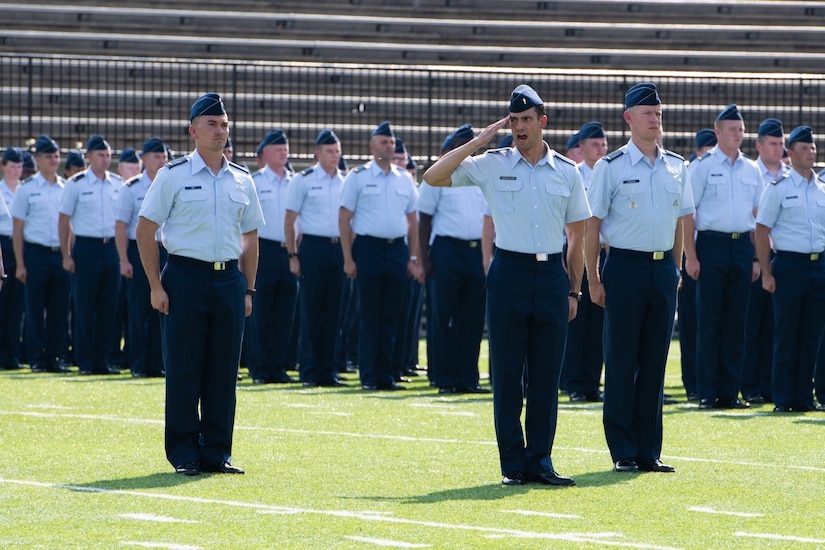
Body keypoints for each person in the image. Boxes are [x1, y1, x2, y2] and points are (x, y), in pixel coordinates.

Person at [423, 84, 588, 486]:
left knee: (546, 375)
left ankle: (541, 460)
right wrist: (478, 142)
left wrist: (574, 289)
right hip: (508, 273)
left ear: (542, 122)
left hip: (551, 275)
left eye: (527, 120)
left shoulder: (567, 171)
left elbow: (579, 236)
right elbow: (432, 176)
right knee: (507, 374)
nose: (519, 127)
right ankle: (513, 463)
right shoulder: (492, 162)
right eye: (513, 120)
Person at [136, 92, 264, 475]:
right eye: (212, 124)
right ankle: (184, 453)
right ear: (193, 130)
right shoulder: (172, 175)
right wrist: (156, 286)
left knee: (224, 372)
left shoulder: (242, 178)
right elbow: (145, 231)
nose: (220, 131)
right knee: (185, 368)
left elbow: (251, 238)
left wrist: (248, 289)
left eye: (224, 124)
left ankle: (216, 453)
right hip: (185, 279)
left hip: (228, 281)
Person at [586, 83, 694, 474]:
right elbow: (592, 226)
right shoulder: (610, 167)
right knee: (620, 360)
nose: (656, 119)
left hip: (662, 268)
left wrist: (676, 268)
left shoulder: (677, 166)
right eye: (648, 113)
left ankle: (649, 449)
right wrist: (594, 280)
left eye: (659, 113)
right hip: (625, 268)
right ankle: (623, 450)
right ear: (629, 118)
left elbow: (681, 222)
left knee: (654, 363)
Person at [685, 104, 761, 410]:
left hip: (742, 246)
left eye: (741, 130)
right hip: (711, 246)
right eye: (732, 130)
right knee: (710, 321)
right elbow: (688, 214)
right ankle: (707, 392)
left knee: (735, 323)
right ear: (717, 132)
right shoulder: (702, 167)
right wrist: (691, 257)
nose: (738, 135)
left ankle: (729, 392)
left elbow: (756, 217)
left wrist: (756, 257)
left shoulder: (752, 169)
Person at [339, 121, 423, 391]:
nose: (390, 146)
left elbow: (412, 221)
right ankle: (369, 375)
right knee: (370, 314)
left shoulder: (404, 179)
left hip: (396, 250)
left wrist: (412, 258)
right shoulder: (358, 176)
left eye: (391, 142)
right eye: (384, 142)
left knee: (391, 315)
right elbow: (344, 218)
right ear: (372, 146)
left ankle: (386, 375)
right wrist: (348, 258)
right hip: (368, 249)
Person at [755, 125, 825, 413]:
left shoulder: (822, 188)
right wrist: (767, 272)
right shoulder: (779, 188)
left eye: (813, 148)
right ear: (791, 153)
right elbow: (761, 230)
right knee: (786, 335)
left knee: (811, 336)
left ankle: (803, 397)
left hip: (818, 266)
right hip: (789, 265)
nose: (811, 152)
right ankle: (783, 397)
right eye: (804, 148)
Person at [418, 123, 489, 394]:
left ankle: (467, 379)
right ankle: (444, 378)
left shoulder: (481, 174)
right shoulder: (440, 173)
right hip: (446, 251)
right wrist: (424, 259)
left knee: (472, 319)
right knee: (443, 317)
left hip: (475, 252)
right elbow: (424, 218)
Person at [284, 129, 347, 387]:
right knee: (311, 311)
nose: (335, 156)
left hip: (339, 249)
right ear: (317, 153)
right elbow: (289, 221)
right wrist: (293, 255)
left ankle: (328, 370)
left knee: (334, 313)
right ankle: (309, 370)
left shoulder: (346, 180)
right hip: (312, 247)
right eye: (330, 151)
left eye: (337, 151)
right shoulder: (304, 180)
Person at [58, 135, 122, 375]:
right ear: (89, 157)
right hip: (86, 248)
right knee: (84, 307)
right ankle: (84, 361)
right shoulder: (76, 184)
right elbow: (64, 220)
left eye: (108, 155)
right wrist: (66, 254)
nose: (105, 159)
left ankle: (102, 360)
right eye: (100, 155)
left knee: (109, 307)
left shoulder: (117, 183)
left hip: (111, 248)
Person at [10, 135, 71, 373]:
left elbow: (70, 225)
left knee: (59, 309)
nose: (54, 160)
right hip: (35, 253)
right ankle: (36, 358)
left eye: (56, 156)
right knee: (35, 308)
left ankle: (55, 357)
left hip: (60, 253)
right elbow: (18, 229)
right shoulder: (27, 189)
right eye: (49, 156)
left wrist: (69, 255)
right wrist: (21, 263)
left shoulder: (66, 187)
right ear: (37, 159)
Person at [742, 118, 790, 404]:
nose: (777, 148)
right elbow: (750, 220)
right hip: (757, 254)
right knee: (753, 323)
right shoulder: (751, 172)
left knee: (776, 324)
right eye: (772, 143)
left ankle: (771, 384)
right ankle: (750, 385)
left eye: (781, 144)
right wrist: (756, 259)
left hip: (783, 256)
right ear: (759, 145)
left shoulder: (789, 174)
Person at [248, 129, 299, 385]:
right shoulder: (255, 182)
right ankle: (259, 368)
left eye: (285, 149)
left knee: (285, 311)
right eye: (278, 149)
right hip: (263, 249)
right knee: (262, 310)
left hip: (288, 250)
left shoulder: (295, 181)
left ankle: (278, 367)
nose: (283, 153)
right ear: (265, 154)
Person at [115, 137, 168, 378]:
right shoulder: (132, 187)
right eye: (157, 156)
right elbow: (121, 226)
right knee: (138, 311)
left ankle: (156, 363)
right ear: (144, 159)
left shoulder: (170, 184)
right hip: (139, 251)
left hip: (166, 251)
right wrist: (124, 259)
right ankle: (137, 364)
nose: (162, 160)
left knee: (163, 309)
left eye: (164, 156)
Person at [563, 121, 607, 403]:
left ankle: (591, 382)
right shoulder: (573, 174)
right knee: (577, 319)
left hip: (603, 252)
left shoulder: (609, 173)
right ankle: (573, 382)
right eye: (595, 144)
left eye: (603, 144)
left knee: (598, 322)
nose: (601, 149)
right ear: (581, 148)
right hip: (577, 250)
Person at [679, 128, 718, 401]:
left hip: (706, 253)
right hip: (688, 251)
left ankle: (712, 382)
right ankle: (693, 383)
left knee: (711, 321)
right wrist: (689, 257)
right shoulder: (694, 170)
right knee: (693, 323)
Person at [0, 148, 26, 370]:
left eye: (19, 166)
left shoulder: (25, 190)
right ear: (3, 167)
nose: (16, 171)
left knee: (16, 306)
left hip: (19, 247)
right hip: (2, 246)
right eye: (12, 166)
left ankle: (12, 354)